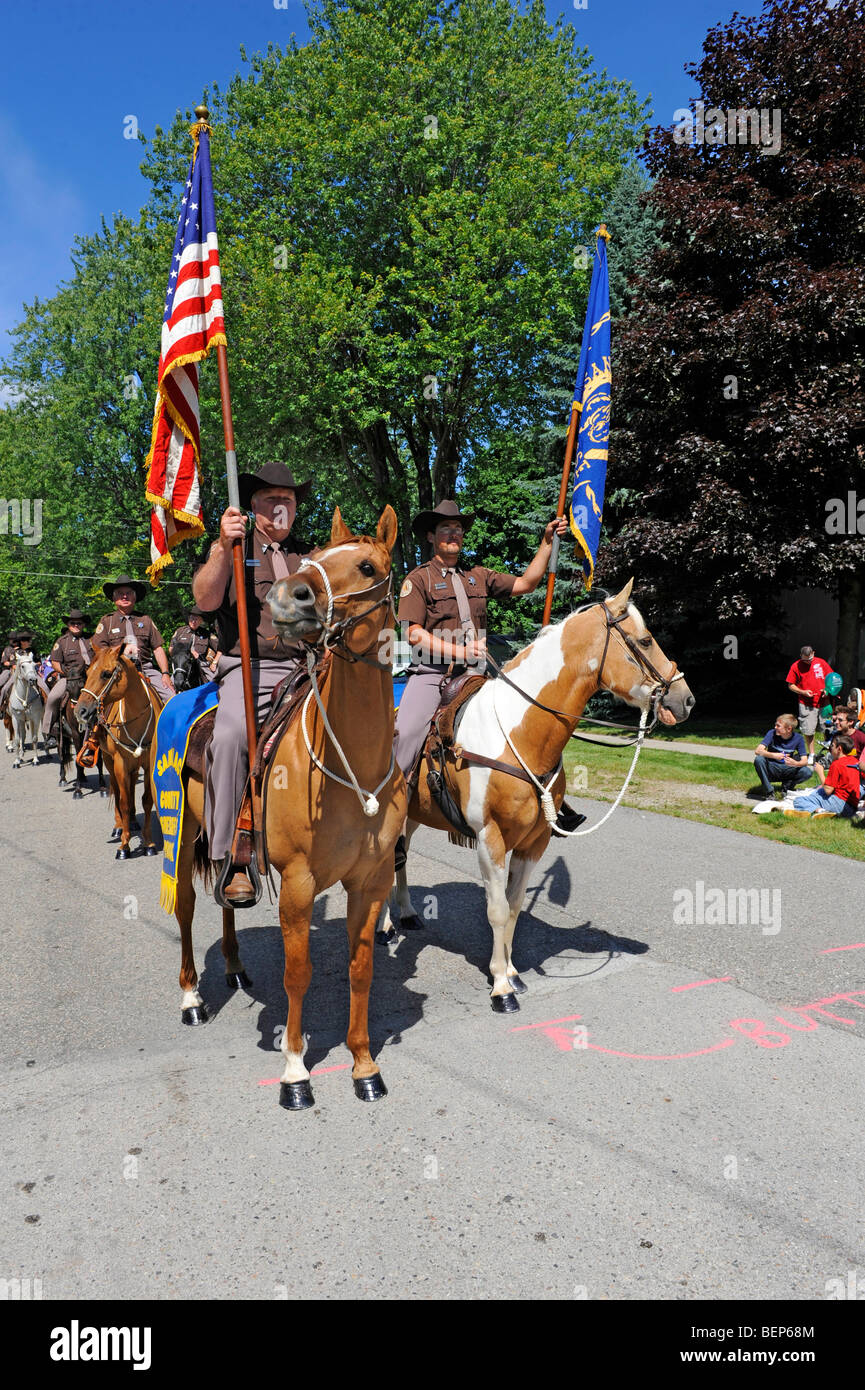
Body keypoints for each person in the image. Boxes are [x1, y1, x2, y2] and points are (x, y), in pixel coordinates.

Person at [394, 497, 584, 851]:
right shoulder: (417, 579)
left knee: (527, 722)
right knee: (404, 735)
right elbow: (413, 633)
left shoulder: (478, 575)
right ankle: (391, 816)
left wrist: (546, 543)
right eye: (446, 529)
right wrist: (460, 652)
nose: (454, 534)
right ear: (431, 537)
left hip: (478, 677)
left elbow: (527, 583)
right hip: (433, 675)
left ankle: (550, 799)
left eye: (458, 529)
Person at [192, 461, 312, 903]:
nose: (281, 507)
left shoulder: (309, 557)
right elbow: (204, 599)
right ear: (253, 507)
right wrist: (224, 546)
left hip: (310, 669)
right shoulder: (234, 547)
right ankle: (232, 855)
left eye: (289, 500)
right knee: (230, 736)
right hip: (251, 669)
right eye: (272, 499)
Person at [41, 608, 94, 742]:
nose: (76, 625)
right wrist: (67, 673)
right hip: (70, 678)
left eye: (79, 623)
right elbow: (55, 662)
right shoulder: (62, 641)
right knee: (52, 698)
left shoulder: (92, 639)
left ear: (84, 625)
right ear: (68, 625)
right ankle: (51, 730)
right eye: (72, 623)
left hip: (91, 677)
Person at [785, 734, 861, 818]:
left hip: (839, 804)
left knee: (798, 801)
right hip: (852, 806)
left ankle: (820, 811)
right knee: (819, 791)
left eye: (832, 746)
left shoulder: (837, 764)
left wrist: (820, 771)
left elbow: (828, 790)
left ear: (839, 749)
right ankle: (816, 809)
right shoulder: (855, 761)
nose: (830, 749)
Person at [751, 714, 813, 811]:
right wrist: (774, 755)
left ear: (789, 729)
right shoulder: (771, 733)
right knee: (759, 760)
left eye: (778, 726)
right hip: (772, 768)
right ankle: (769, 792)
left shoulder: (798, 738)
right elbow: (758, 751)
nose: (775, 727)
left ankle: (786, 788)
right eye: (775, 725)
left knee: (807, 772)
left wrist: (795, 763)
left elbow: (805, 761)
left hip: (787, 768)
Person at [786, 645, 834, 758]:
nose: (807, 662)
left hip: (824, 703)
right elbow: (790, 685)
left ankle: (829, 753)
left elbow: (832, 678)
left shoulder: (821, 662)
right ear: (800, 656)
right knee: (808, 730)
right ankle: (811, 754)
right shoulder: (796, 666)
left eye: (810, 659)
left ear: (813, 653)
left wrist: (827, 690)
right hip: (806, 704)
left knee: (828, 729)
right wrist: (802, 692)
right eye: (805, 660)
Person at [169, 604, 220, 676]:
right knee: (169, 686)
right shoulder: (180, 631)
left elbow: (220, 649)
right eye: (192, 618)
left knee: (214, 682)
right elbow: (171, 649)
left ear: (201, 621)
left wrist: (214, 663)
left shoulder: (207, 634)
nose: (193, 621)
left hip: (201, 666)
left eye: (196, 619)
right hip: (182, 667)